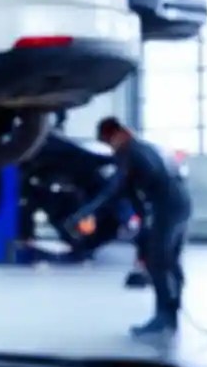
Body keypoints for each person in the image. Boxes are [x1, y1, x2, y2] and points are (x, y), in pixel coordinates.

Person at [67, 117, 192, 337]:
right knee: (170, 260)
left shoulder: (130, 152)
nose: (111, 148)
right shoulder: (150, 147)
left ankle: (164, 316)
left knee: (157, 262)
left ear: (120, 134)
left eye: (109, 142)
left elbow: (117, 188)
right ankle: (172, 311)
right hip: (182, 204)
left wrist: (85, 212)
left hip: (166, 207)